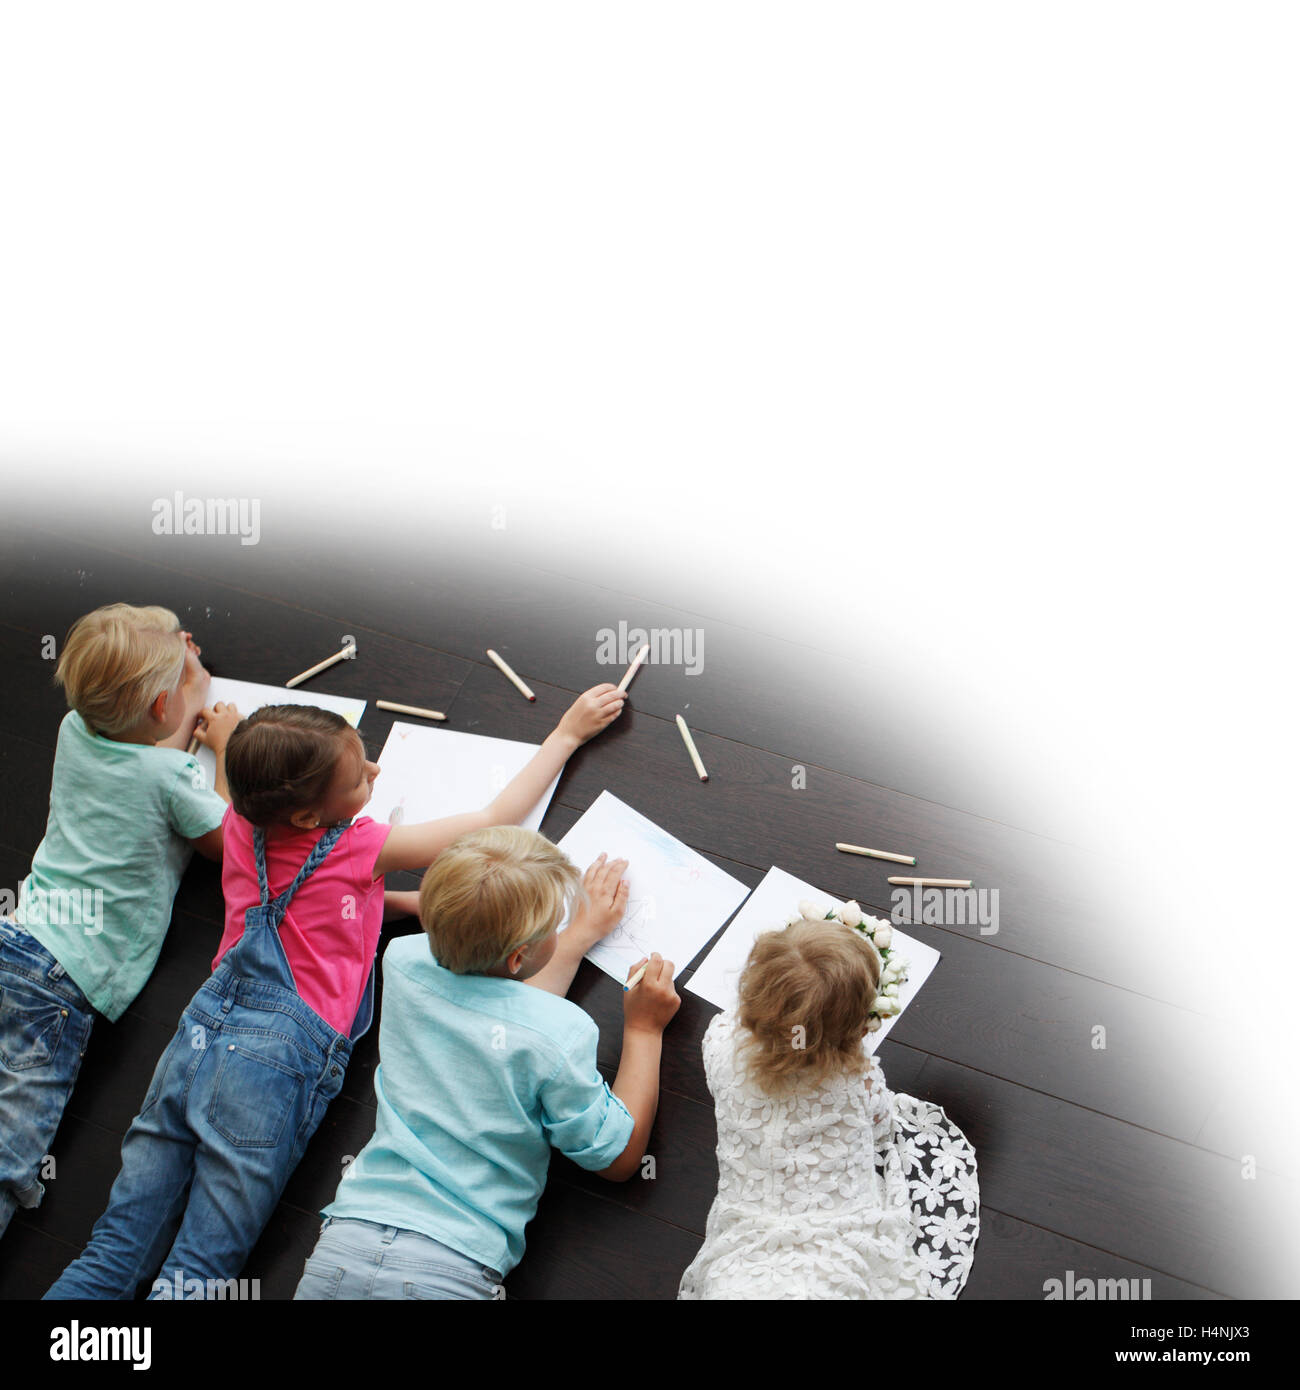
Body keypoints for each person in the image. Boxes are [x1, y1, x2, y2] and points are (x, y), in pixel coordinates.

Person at [45, 682, 626, 1298]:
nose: (376, 770)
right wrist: (566, 733)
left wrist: (226, 742)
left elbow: (336, 900)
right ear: (305, 815)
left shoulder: (241, 819)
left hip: (199, 1036)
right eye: (358, 777)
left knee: (111, 1251)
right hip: (270, 1067)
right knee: (197, 1275)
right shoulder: (358, 845)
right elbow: (490, 823)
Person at [293, 825, 680, 1300]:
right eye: (554, 927)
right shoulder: (561, 1034)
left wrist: (575, 936)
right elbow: (617, 1159)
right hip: (450, 1267)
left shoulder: (402, 959)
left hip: (344, 1243)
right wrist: (644, 1029)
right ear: (518, 957)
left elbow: (498, 1015)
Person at [0, 603, 234, 1240]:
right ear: (164, 707)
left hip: (17, 940)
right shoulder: (175, 775)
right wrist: (225, 743)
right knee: (9, 1153)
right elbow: (228, 839)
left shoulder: (75, 727)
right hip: (61, 978)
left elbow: (146, 734)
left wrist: (188, 680)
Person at [678, 916, 980, 1299]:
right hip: (837, 1230)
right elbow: (882, 1126)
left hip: (748, 1234)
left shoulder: (721, 1042)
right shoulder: (857, 1079)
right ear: (856, 1026)